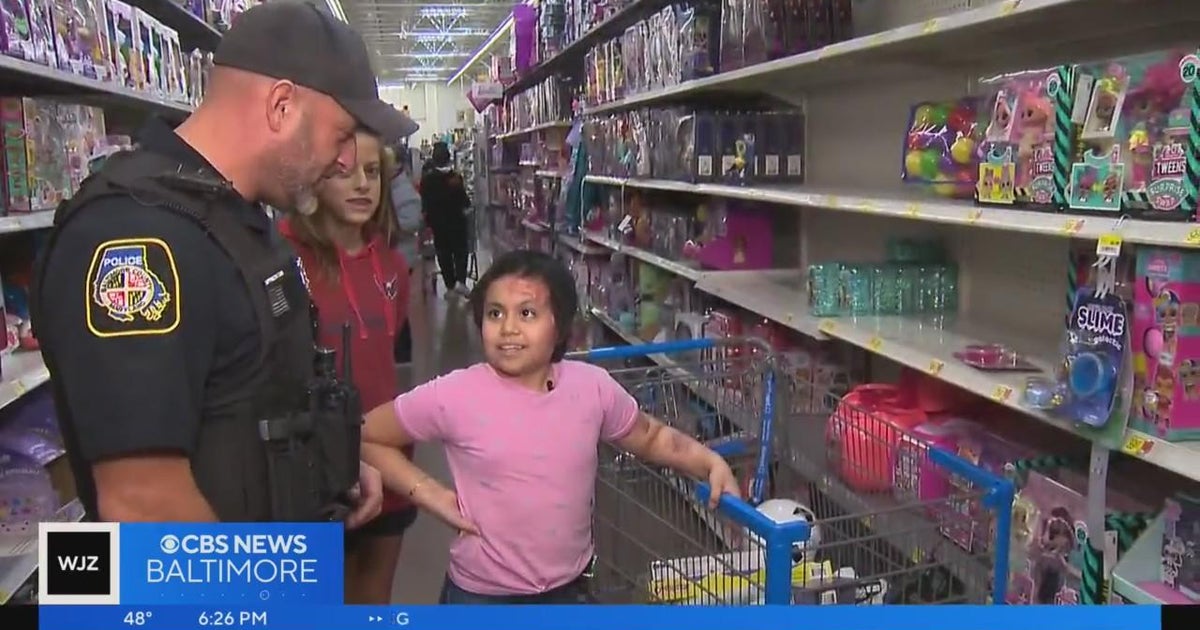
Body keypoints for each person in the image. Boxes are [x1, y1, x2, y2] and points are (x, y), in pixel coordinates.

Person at [30, 1, 417, 525]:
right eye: (342, 134)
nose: (346, 162)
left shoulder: (238, 220)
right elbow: (143, 501)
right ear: (282, 107)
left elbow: (250, 399)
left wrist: (327, 464)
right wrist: (250, 605)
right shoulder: (138, 237)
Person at [360, 249, 741, 604]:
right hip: (480, 597)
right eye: (495, 313)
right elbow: (367, 433)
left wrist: (708, 462)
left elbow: (651, 436)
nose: (508, 327)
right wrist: (427, 491)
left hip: (569, 589)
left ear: (559, 326)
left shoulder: (591, 388)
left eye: (527, 313)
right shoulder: (454, 395)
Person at [278, 130, 415, 604]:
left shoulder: (393, 265)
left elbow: (387, 345)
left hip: (388, 456)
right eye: (343, 172)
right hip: (316, 467)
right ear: (313, 179)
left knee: (373, 602)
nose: (362, 185)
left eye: (372, 171)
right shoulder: (282, 259)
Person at [420, 141, 472, 299]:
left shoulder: (427, 180)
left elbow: (425, 202)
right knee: (460, 251)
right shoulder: (455, 178)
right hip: (457, 223)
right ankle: (461, 283)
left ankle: (449, 286)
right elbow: (464, 201)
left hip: (438, 225)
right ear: (449, 158)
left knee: (443, 253)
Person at [386, 145, 422, 365]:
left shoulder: (404, 191)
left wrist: (386, 226)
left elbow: (411, 222)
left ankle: (402, 355)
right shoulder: (391, 187)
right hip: (396, 254)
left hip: (401, 256)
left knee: (396, 308)